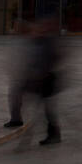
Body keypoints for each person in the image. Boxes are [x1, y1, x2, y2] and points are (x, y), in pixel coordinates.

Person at [26, 16, 63, 145]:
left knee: (46, 109)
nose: (33, 33)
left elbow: (52, 59)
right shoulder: (39, 42)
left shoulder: (48, 43)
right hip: (40, 80)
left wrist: (43, 73)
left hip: (46, 80)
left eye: (36, 30)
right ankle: (52, 133)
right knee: (45, 109)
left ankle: (53, 134)